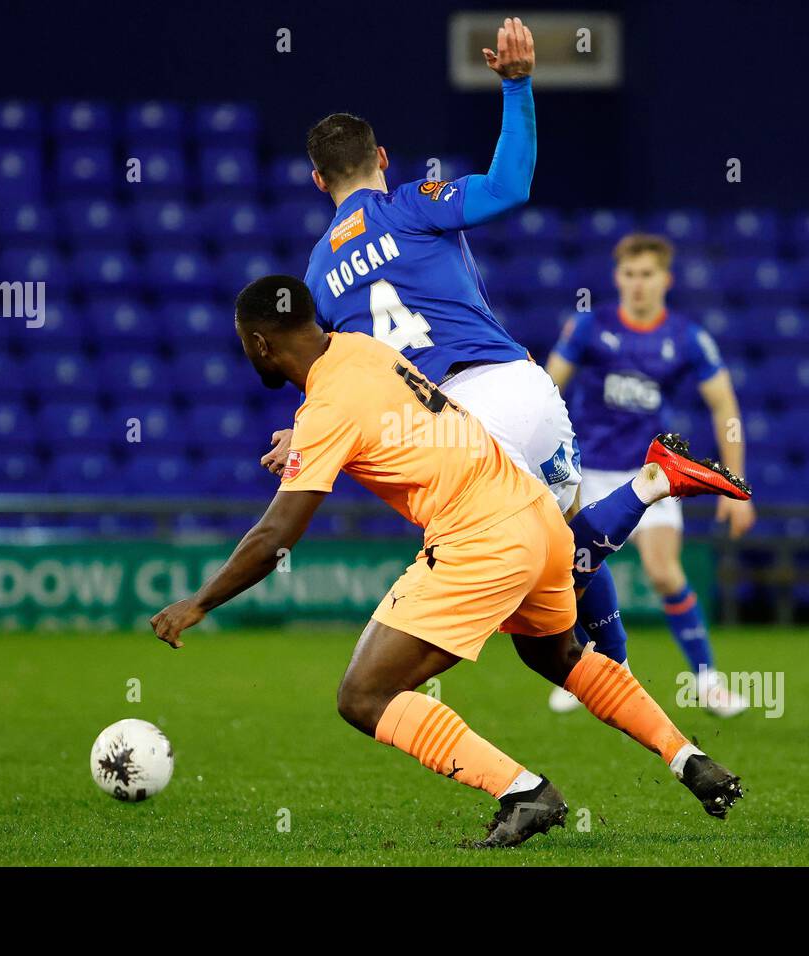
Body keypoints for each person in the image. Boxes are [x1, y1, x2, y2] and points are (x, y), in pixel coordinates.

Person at [150, 275, 743, 848]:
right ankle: (689, 759)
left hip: (481, 536)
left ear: (258, 343)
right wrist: (300, 435)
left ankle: (524, 793)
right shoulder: (361, 349)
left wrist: (198, 602)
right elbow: (377, 415)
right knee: (556, 654)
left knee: (363, 696)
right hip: (536, 514)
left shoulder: (325, 407)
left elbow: (279, 531)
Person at [259, 17, 751, 686]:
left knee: (512, 567)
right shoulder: (414, 202)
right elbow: (510, 186)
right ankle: (616, 666)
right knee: (569, 536)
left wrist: (300, 433)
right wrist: (517, 87)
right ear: (382, 159)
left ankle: (652, 482)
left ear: (318, 182)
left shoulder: (316, 275)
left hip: (455, 421)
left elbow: (336, 381)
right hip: (522, 383)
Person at [546, 234, 756, 716]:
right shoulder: (588, 326)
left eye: (647, 275)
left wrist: (736, 480)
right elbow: (548, 387)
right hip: (587, 471)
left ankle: (708, 681)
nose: (638, 284)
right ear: (617, 278)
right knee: (575, 571)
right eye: (629, 274)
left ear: (666, 280)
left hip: (651, 473)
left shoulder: (686, 338)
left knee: (663, 571)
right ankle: (582, 668)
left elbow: (725, 404)